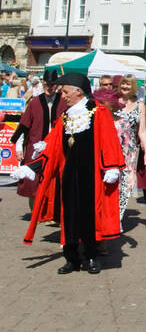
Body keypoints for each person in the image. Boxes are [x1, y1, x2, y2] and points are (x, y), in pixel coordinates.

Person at [15, 71, 125, 274]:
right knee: (69, 216)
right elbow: (52, 146)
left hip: (91, 175)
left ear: (78, 92)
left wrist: (111, 167)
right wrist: (31, 167)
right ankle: (71, 258)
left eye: (66, 92)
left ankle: (91, 255)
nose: (62, 95)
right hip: (69, 174)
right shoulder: (65, 117)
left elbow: (109, 141)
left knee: (89, 216)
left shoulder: (97, 112)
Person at [11, 69, 63, 201]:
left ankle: (52, 214)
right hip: (35, 149)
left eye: (51, 85)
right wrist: (18, 148)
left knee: (56, 181)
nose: (48, 87)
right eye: (46, 84)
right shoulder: (35, 102)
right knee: (34, 181)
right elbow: (24, 127)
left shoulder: (63, 102)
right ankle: (36, 213)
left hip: (57, 148)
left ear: (57, 85)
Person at [114, 77, 146, 226]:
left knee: (126, 185)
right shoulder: (113, 101)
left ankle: (117, 218)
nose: (125, 86)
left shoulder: (140, 105)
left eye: (128, 84)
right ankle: (110, 218)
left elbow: (142, 131)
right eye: (123, 83)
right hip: (112, 147)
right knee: (111, 183)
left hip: (129, 152)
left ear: (134, 86)